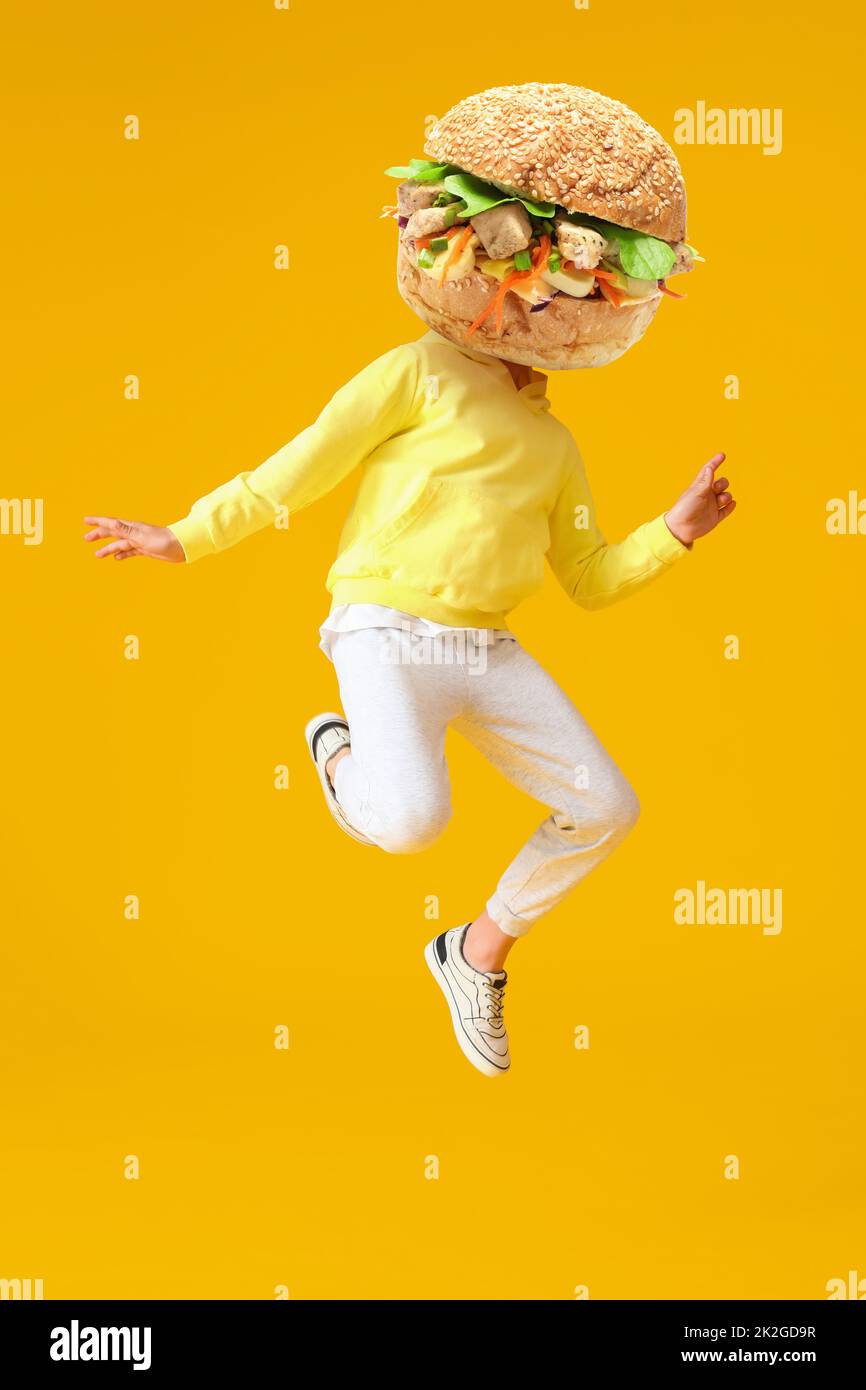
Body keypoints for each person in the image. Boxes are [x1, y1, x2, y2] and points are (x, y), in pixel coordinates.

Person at [84, 331, 735, 1077]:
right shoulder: (419, 368)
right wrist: (189, 536)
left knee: (608, 807)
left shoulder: (554, 444)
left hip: (484, 647)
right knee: (412, 822)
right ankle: (342, 759)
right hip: (383, 628)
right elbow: (310, 458)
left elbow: (587, 577)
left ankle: (475, 952)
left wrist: (674, 532)